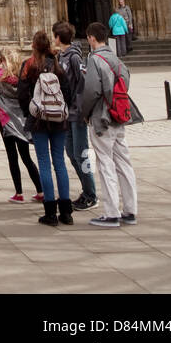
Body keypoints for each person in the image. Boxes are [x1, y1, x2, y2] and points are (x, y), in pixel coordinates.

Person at [82, 21, 139, 229]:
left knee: (105, 162)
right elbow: (126, 80)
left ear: (91, 38)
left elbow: (91, 92)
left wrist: (85, 113)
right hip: (119, 117)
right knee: (124, 163)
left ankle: (111, 213)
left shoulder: (94, 60)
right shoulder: (116, 59)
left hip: (101, 119)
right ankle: (130, 210)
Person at [17, 30, 73, 227]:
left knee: (44, 163)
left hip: (39, 121)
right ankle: (66, 212)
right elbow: (67, 91)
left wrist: (30, 113)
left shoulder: (29, 66)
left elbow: (22, 95)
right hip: (59, 121)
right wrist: (60, 109)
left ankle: (50, 211)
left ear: (33, 45)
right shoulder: (57, 65)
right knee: (59, 162)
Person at [52, 20, 98, 211]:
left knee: (82, 154)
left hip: (77, 114)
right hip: (66, 114)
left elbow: (83, 83)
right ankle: (86, 190)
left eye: (54, 35)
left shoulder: (74, 58)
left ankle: (91, 194)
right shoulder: (61, 56)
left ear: (58, 37)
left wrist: (83, 110)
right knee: (71, 153)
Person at [0, 47, 43, 202]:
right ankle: (40, 191)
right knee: (26, 157)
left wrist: (0, 70)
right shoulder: (23, 77)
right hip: (21, 121)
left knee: (12, 157)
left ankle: (19, 193)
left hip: (6, 120)